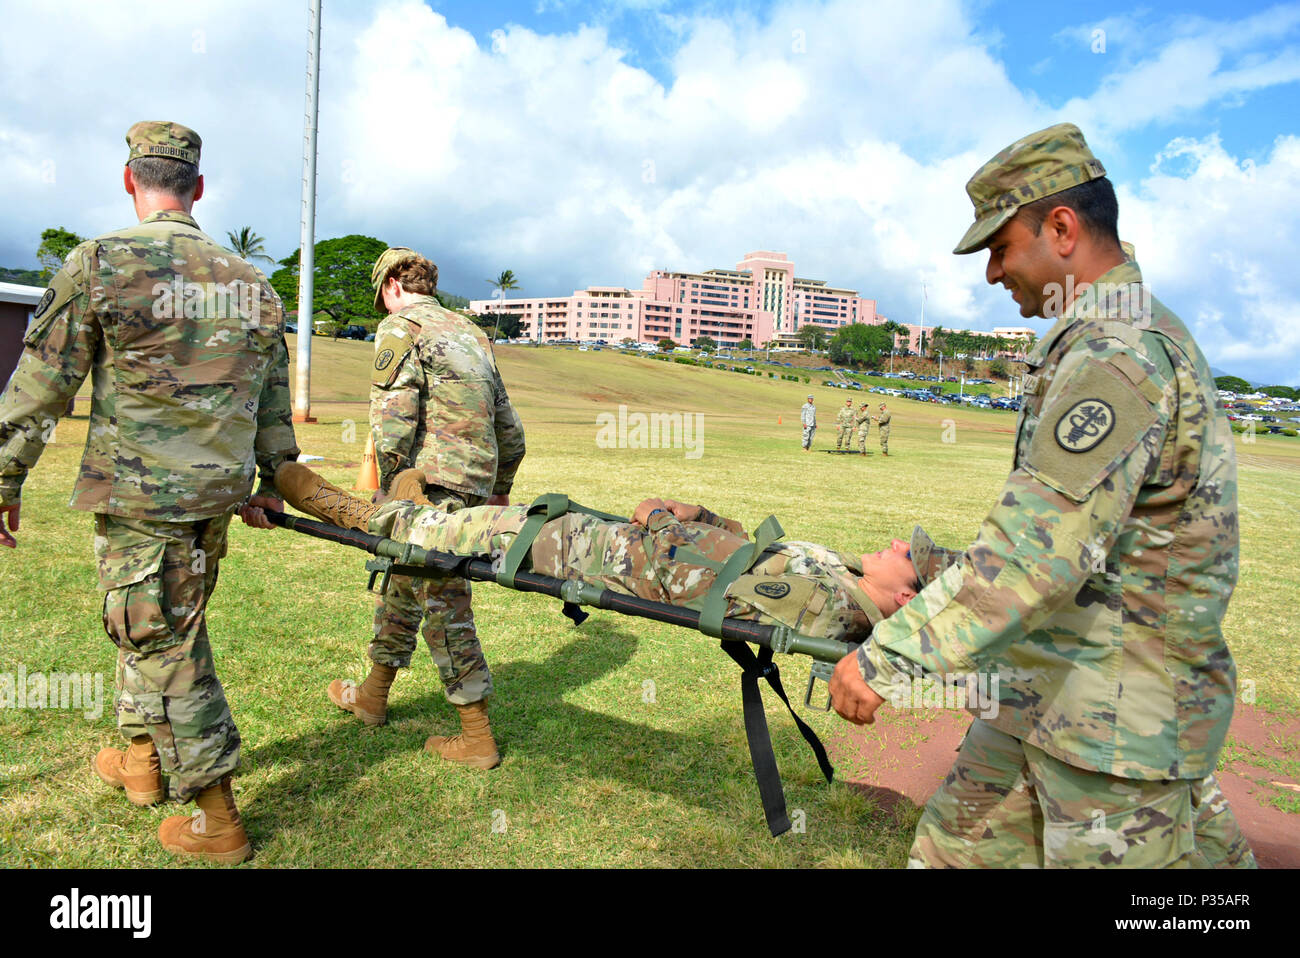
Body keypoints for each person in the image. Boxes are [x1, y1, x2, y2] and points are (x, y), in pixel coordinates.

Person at [829, 122, 1254, 868]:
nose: (993, 273)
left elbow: (1035, 557)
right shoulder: (1101, 341)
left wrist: (885, 657)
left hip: (1114, 735)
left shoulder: (1117, 355)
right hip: (1042, 700)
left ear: (1061, 228)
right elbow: (1081, 548)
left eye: (999, 247)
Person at [0, 121, 298, 863]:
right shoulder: (252, 284)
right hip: (215, 498)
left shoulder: (100, 262)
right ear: (196, 188)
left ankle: (217, 817)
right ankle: (141, 763)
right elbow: (270, 402)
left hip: (141, 498)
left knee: (164, 640)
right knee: (151, 625)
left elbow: (43, 386)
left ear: (130, 180)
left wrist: (4, 476)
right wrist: (272, 480)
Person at [274, 462, 953, 641]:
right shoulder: (840, 577)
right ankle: (417, 511)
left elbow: (692, 577)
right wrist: (703, 513)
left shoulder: (828, 602)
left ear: (903, 596)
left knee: (471, 535)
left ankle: (359, 511)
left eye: (908, 555)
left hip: (604, 556)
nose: (897, 542)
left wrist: (662, 520)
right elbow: (746, 553)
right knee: (486, 522)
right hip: (622, 546)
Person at [331, 247, 525, 770]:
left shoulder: (402, 327)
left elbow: (392, 415)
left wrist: (393, 486)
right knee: (403, 582)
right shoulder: (472, 333)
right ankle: (372, 695)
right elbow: (508, 424)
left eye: (380, 297)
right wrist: (501, 485)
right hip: (474, 483)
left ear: (393, 284)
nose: (382, 306)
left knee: (443, 601)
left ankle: (477, 736)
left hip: (427, 486)